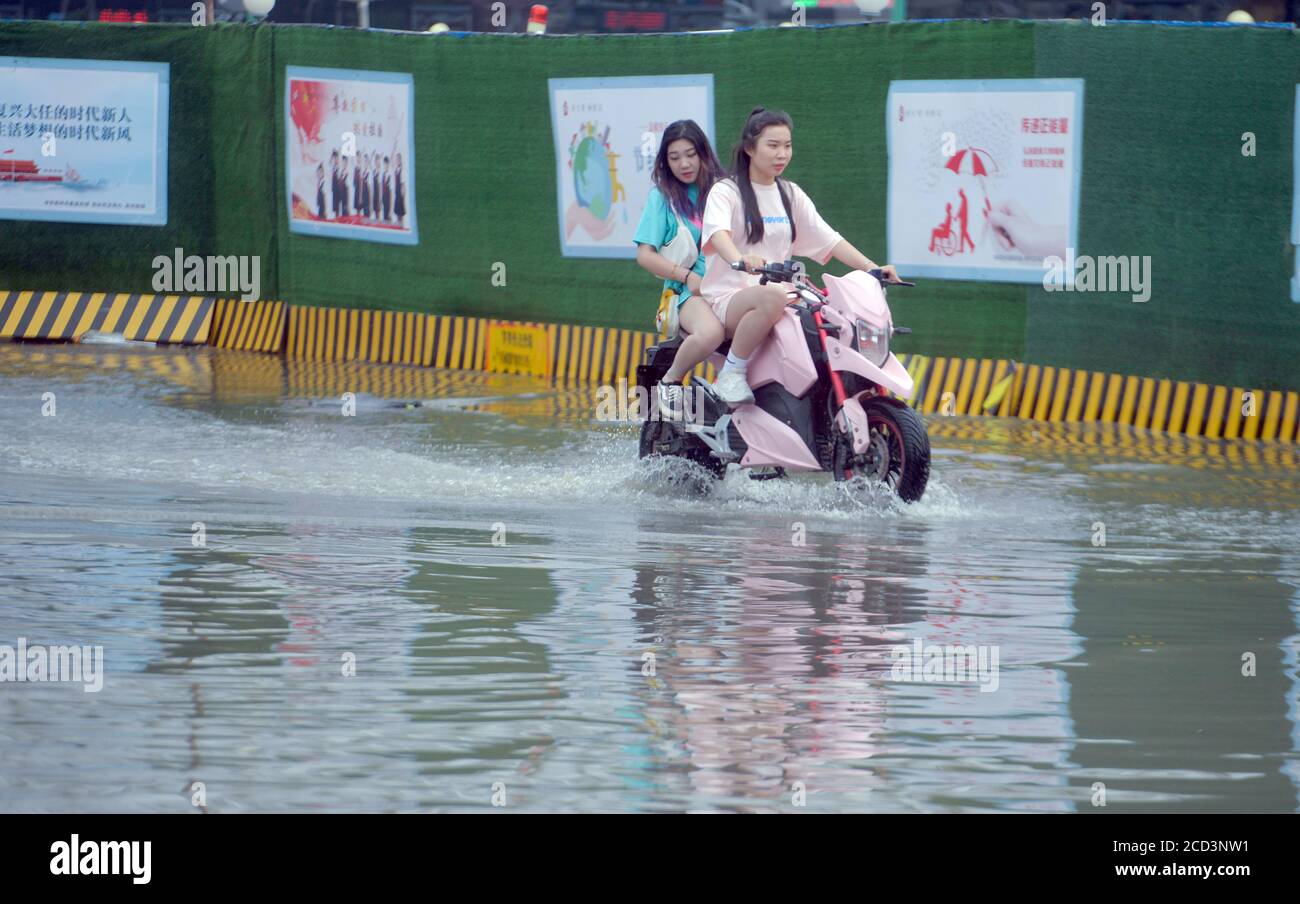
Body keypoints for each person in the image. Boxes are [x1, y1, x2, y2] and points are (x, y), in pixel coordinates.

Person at [700, 107, 900, 404]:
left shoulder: (790, 194)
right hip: (730, 297)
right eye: (773, 145)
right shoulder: (726, 192)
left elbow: (830, 240)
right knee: (773, 296)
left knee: (832, 313)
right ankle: (732, 373)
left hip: (783, 295)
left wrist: (873, 269)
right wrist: (739, 259)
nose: (782, 154)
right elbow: (719, 235)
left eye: (787, 145)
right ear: (749, 149)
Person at [633, 120, 727, 419]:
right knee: (711, 333)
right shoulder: (662, 197)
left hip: (730, 288)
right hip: (688, 294)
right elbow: (644, 256)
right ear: (665, 161)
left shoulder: (725, 190)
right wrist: (688, 277)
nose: (684, 163)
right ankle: (670, 381)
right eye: (674, 157)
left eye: (690, 154)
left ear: (703, 153)